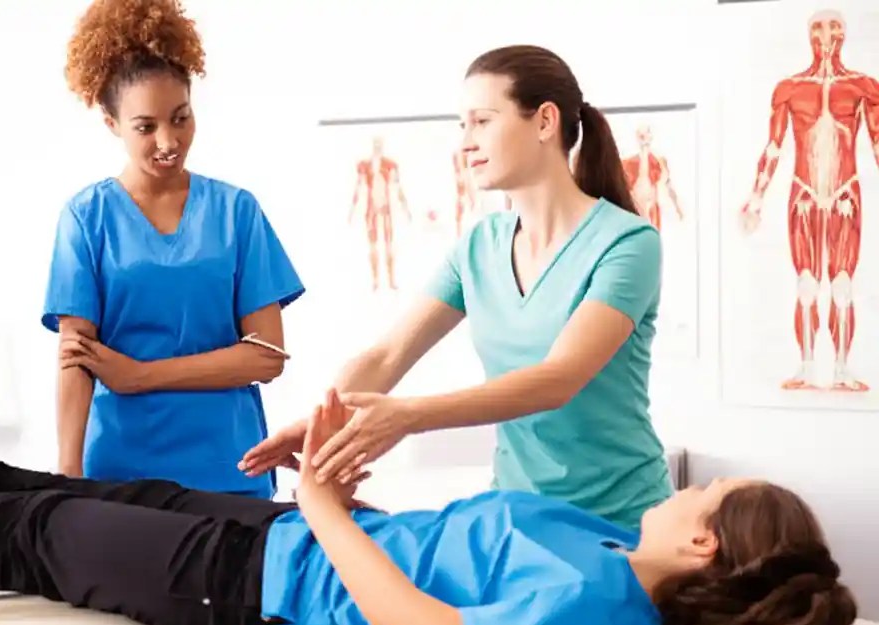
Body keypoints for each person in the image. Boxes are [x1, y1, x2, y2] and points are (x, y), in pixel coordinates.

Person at [0, 363, 856, 625]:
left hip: (258, 591)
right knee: (128, 489)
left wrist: (330, 516)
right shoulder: (604, 548)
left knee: (52, 534)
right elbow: (449, 553)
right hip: (295, 539)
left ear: (704, 546)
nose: (696, 494)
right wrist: (341, 495)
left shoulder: (603, 605)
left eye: (713, 498)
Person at [242, 44, 673, 531]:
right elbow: (388, 356)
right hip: (518, 517)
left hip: (625, 522)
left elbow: (560, 379)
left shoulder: (628, 243)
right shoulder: (480, 247)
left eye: (482, 121)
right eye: (462, 126)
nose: (466, 142)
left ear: (545, 122)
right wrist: (324, 421)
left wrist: (408, 416)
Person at [44, 0, 304, 498]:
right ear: (110, 121)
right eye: (145, 127)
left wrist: (140, 375)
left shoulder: (236, 211)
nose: (168, 140)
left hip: (230, 467)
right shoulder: (86, 217)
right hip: (121, 474)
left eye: (181, 118)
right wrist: (66, 480)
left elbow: (266, 356)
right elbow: (75, 358)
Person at [738, 8, 877, 392]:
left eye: (835, 25)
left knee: (844, 284)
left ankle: (843, 367)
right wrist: (756, 197)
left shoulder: (864, 86)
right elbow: (773, 146)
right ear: (808, 33)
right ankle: (807, 364)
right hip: (804, 192)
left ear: (845, 33)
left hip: (846, 190)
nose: (827, 32)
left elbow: (878, 142)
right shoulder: (790, 88)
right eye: (818, 25)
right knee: (806, 284)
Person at [348, 135, 412, 291]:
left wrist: (405, 207)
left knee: (389, 245)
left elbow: (397, 187)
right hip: (371, 209)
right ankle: (376, 281)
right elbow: (359, 187)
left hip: (386, 208)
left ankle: (391, 280)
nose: (377, 147)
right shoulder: (364, 165)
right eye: (375, 144)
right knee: (373, 246)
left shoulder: (390, 165)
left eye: (379, 144)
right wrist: (352, 210)